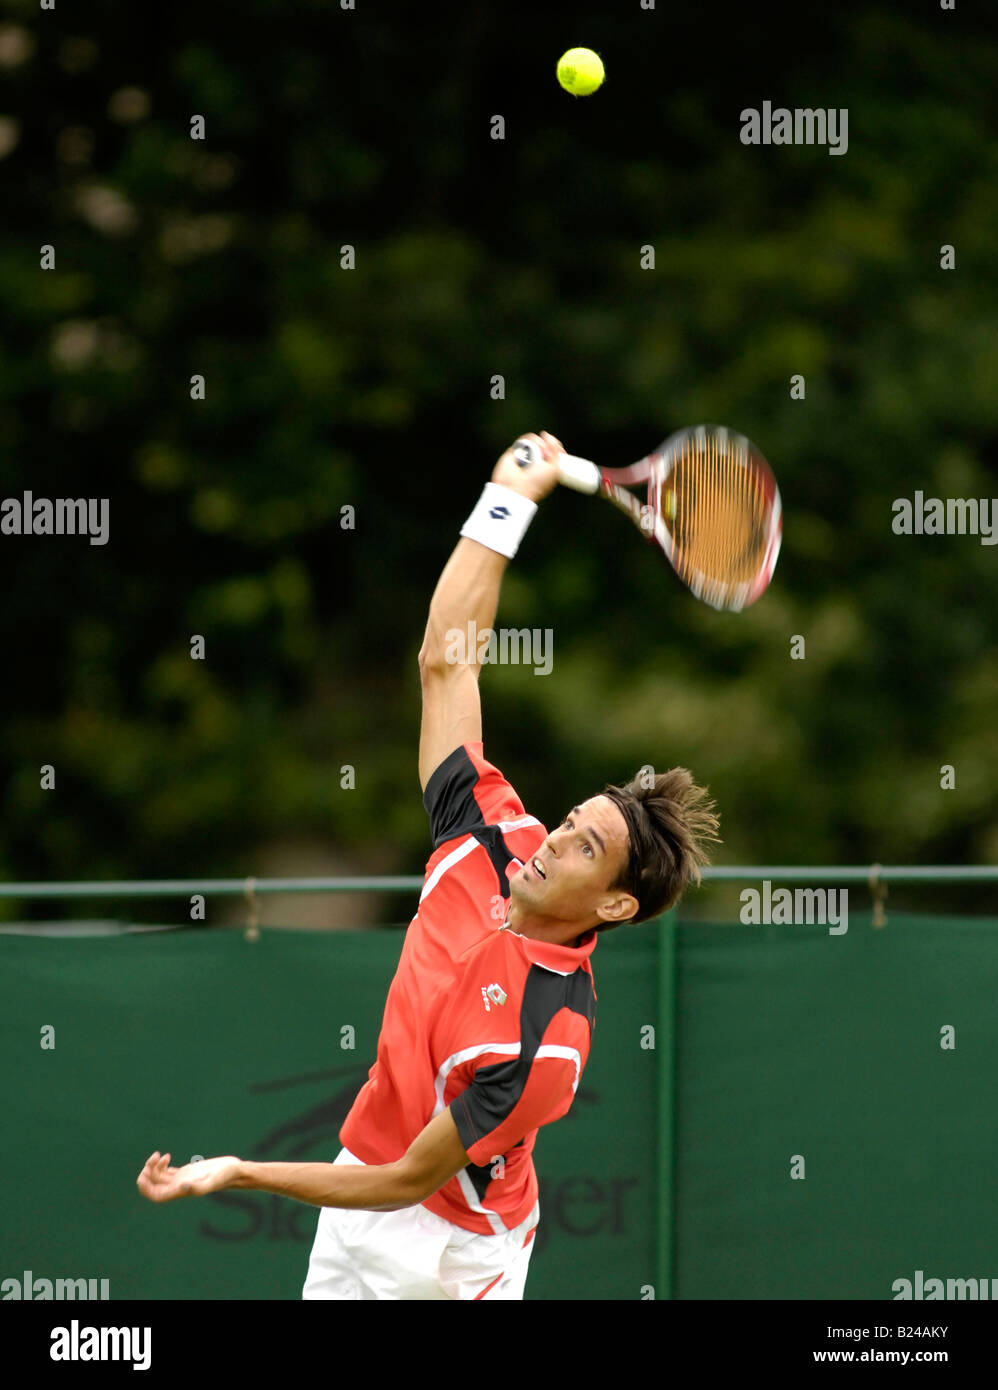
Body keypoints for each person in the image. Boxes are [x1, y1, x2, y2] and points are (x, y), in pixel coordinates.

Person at [136, 430, 720, 1299]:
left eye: (585, 849)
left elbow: (410, 1179)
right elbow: (447, 660)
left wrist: (236, 1172)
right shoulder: (492, 838)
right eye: (570, 821)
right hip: (362, 1200)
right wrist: (507, 502)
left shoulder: (545, 1044)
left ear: (615, 908)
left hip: (459, 1257)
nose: (554, 838)